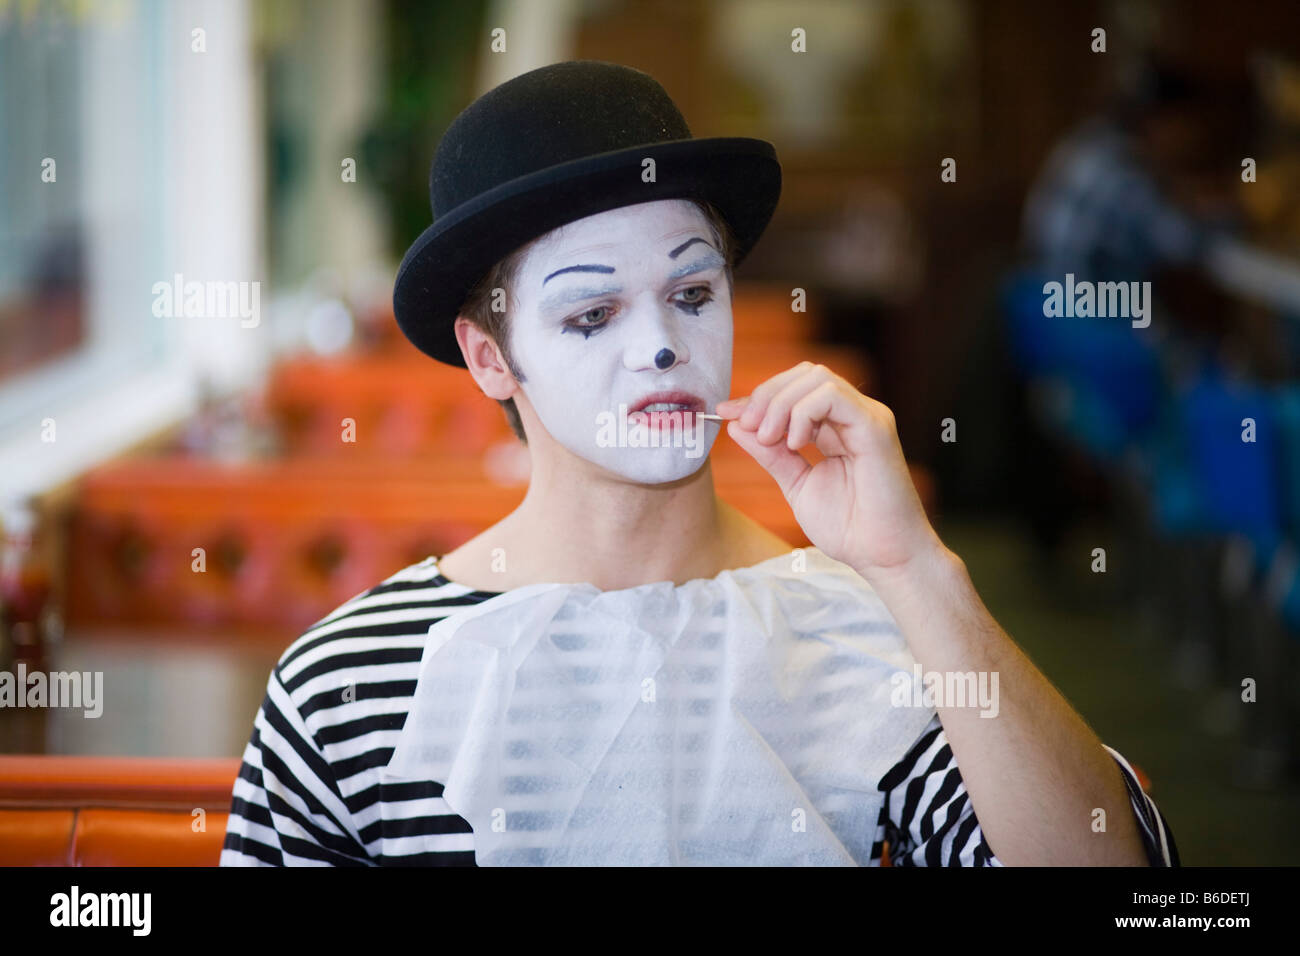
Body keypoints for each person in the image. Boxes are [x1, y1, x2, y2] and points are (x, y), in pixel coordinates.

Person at [222, 60, 1177, 867]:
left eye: (690, 291)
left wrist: (913, 570)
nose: (663, 347)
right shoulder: (345, 682)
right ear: (489, 358)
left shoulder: (869, 637)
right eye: (591, 314)